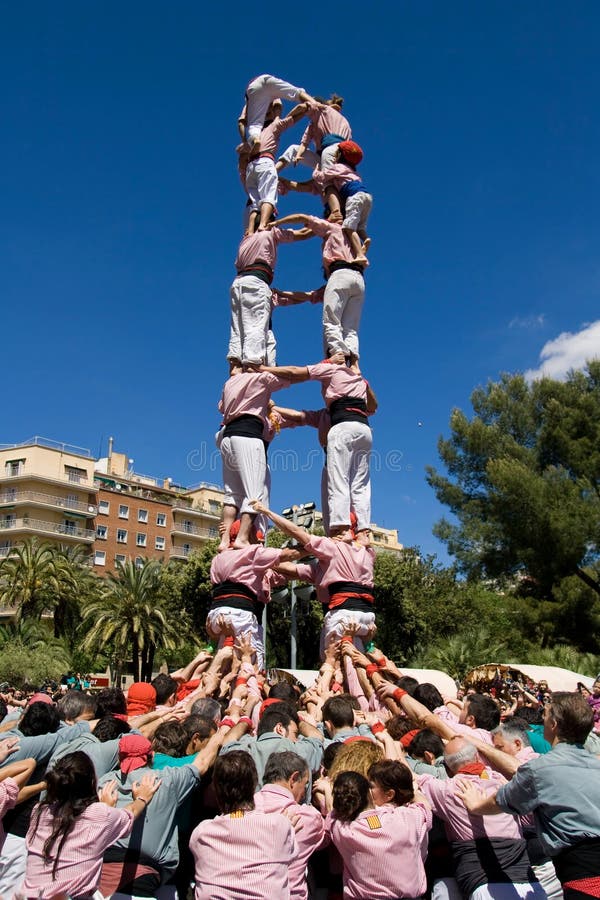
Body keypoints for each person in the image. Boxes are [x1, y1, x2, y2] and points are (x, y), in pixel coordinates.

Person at [458, 692, 600, 900]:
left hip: (584, 878)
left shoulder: (539, 769)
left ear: (554, 724)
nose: (543, 717)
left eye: (546, 714)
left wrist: (476, 805)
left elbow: (502, 800)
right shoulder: (596, 764)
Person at [22, 750, 160, 899]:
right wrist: (142, 798)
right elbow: (130, 812)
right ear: (91, 782)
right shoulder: (99, 815)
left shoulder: (40, 811)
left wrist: (104, 809)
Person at [419, 736, 544, 900]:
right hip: (529, 885)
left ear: (448, 769)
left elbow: (412, 778)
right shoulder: (504, 783)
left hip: (486, 888)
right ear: (477, 757)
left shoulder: (448, 790)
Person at [252, 498, 376, 657]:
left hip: (341, 613)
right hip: (367, 616)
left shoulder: (332, 547)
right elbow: (292, 569)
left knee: (334, 664)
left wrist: (267, 513)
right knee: (363, 661)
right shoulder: (368, 552)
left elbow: (296, 532)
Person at [217, 361, 306, 548]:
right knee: (251, 496)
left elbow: (297, 417)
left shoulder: (271, 417)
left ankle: (243, 537)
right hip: (247, 440)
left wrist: (273, 408)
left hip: (250, 451)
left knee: (238, 495)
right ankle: (237, 537)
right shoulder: (252, 388)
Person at [189, 750, 297, 899]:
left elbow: (235, 816)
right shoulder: (279, 825)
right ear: (254, 783)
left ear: (216, 788)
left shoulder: (202, 833)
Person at [324, 762, 432, 900]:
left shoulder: (342, 828)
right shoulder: (408, 818)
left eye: (372, 786)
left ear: (389, 794)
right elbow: (425, 807)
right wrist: (414, 791)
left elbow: (332, 813)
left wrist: (328, 791)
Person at [268, 211, 367, 360]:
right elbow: (308, 295)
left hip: (340, 272)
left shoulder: (332, 228)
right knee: (351, 328)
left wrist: (276, 223)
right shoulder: (353, 239)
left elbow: (302, 217)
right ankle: (354, 364)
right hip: (359, 279)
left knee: (331, 321)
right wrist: (282, 293)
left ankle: (337, 355)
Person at [208, 525, 300, 669]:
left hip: (217, 615)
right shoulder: (250, 554)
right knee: (250, 667)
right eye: (258, 542)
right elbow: (288, 559)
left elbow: (291, 572)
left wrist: (265, 562)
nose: (261, 545)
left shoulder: (220, 558)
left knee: (223, 664)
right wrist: (315, 546)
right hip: (241, 615)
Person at [227, 218, 311, 368]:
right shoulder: (270, 232)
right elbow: (302, 233)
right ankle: (253, 364)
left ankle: (235, 365)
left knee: (238, 326)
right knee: (256, 324)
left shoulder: (246, 239)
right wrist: (319, 226)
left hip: (238, 283)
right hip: (256, 281)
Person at [254, 751, 327, 900]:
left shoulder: (243, 811)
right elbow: (333, 835)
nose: (304, 791)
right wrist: (328, 797)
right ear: (293, 779)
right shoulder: (306, 817)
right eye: (305, 784)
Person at [243, 99, 308, 231]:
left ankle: (249, 231)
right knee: (269, 197)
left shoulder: (254, 132)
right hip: (265, 162)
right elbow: (293, 118)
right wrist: (307, 108)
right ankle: (262, 224)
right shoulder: (274, 126)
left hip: (251, 166)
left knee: (255, 202)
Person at [239, 74, 320, 147]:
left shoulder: (249, 104)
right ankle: (316, 104)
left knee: (254, 125)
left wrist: (244, 141)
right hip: (266, 78)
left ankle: (256, 139)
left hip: (252, 89)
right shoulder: (273, 97)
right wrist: (277, 118)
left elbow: (241, 123)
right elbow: (278, 104)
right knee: (295, 92)